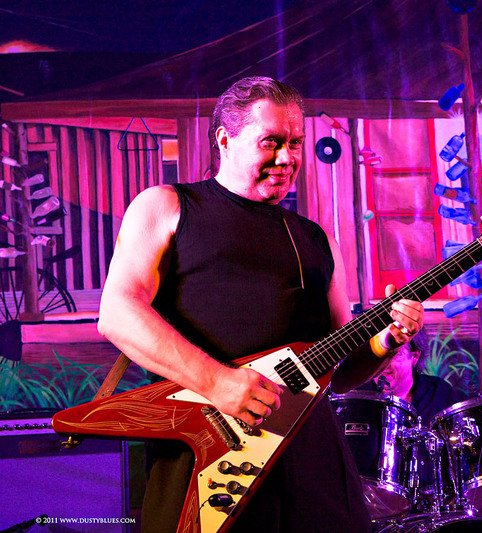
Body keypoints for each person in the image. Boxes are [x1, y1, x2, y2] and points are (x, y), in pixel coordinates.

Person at [97, 76, 424, 532]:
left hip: (313, 467)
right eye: (271, 142)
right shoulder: (168, 206)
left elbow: (340, 371)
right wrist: (217, 382)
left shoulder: (316, 240)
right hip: (205, 454)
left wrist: (385, 340)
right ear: (224, 139)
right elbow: (117, 313)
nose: (287, 158)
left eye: (295, 143)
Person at [361, 334, 458, 425]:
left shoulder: (439, 392)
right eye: (378, 355)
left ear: (414, 356)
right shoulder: (358, 395)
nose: (383, 365)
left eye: (393, 355)